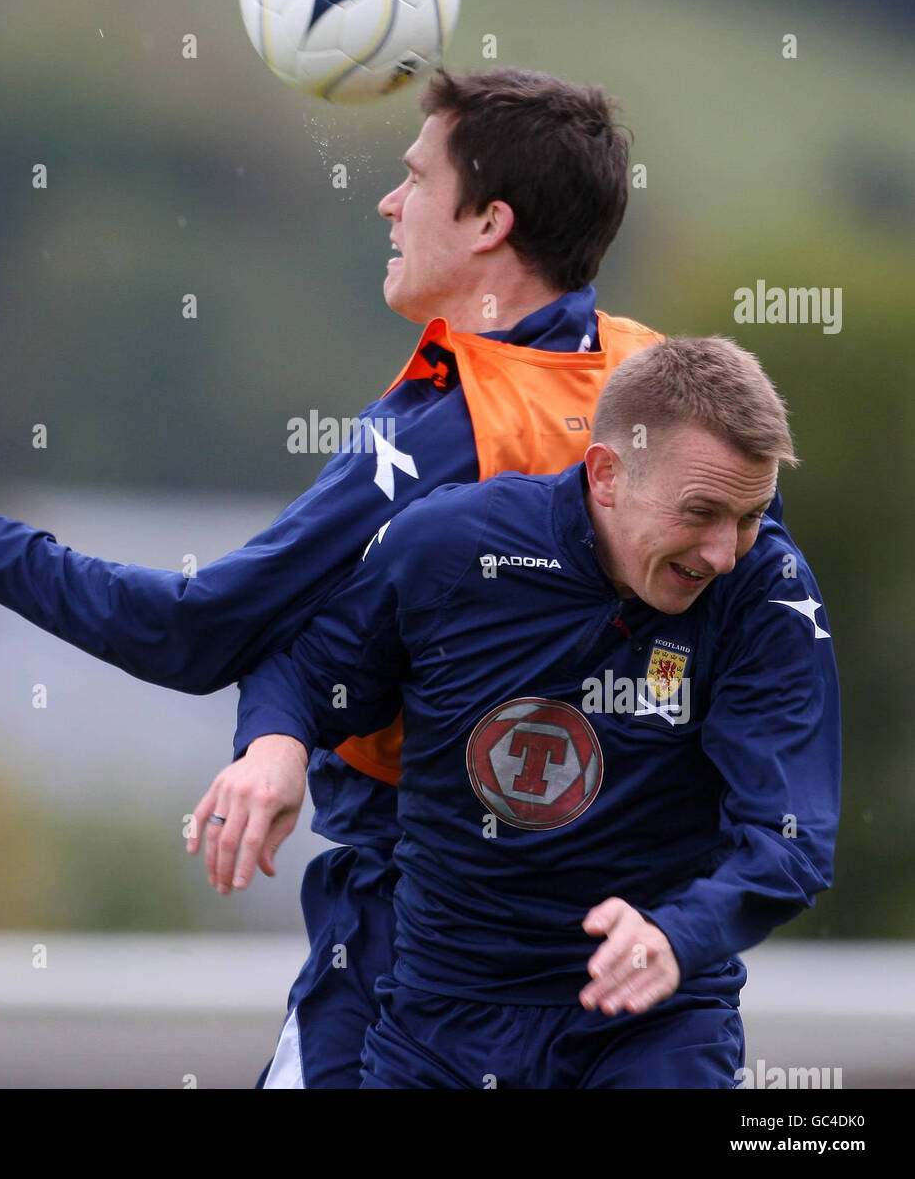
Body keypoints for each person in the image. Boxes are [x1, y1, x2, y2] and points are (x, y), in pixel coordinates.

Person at [0, 68, 663, 1087]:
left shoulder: (446, 429)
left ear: (488, 224)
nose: (388, 202)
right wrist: (280, 734)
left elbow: (204, 628)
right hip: (622, 934)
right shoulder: (653, 384)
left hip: (425, 924)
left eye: (415, 178)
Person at [194, 337, 839, 1088]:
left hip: (653, 1025)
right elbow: (306, 666)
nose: (724, 551)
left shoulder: (766, 592)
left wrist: (678, 934)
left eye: (750, 515)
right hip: (442, 1019)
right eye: (701, 513)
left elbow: (792, 836)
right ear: (606, 475)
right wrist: (275, 747)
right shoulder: (455, 545)